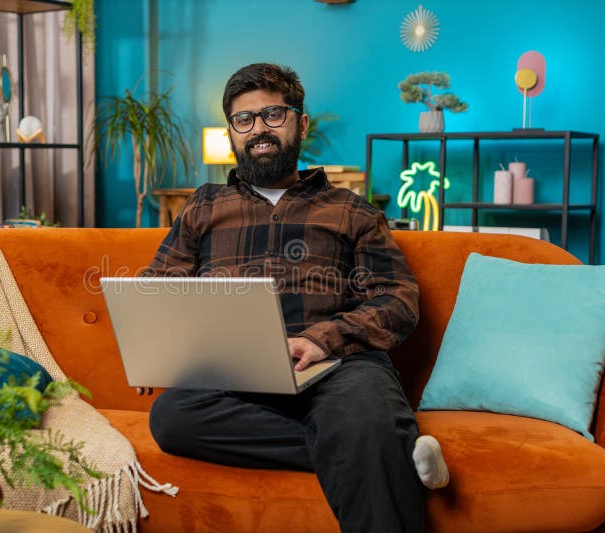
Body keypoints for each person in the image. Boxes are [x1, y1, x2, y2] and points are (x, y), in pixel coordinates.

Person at [141, 63, 448, 533]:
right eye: (244, 120)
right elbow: (159, 284)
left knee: (365, 417)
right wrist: (151, 343)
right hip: (235, 371)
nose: (258, 129)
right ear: (231, 134)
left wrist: (324, 339)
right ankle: (392, 454)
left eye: (272, 115)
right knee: (171, 416)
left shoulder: (352, 210)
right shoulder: (204, 205)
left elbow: (396, 300)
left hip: (339, 367)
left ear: (300, 124)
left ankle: (374, 441)